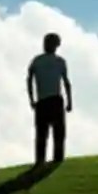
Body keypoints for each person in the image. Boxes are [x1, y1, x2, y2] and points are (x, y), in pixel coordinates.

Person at [27, 32, 72, 165]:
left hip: (52, 100)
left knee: (54, 133)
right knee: (44, 133)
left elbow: (66, 82)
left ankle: (52, 159)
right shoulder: (39, 61)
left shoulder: (57, 61)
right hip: (45, 101)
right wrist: (31, 99)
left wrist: (69, 101)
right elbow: (29, 80)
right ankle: (43, 160)